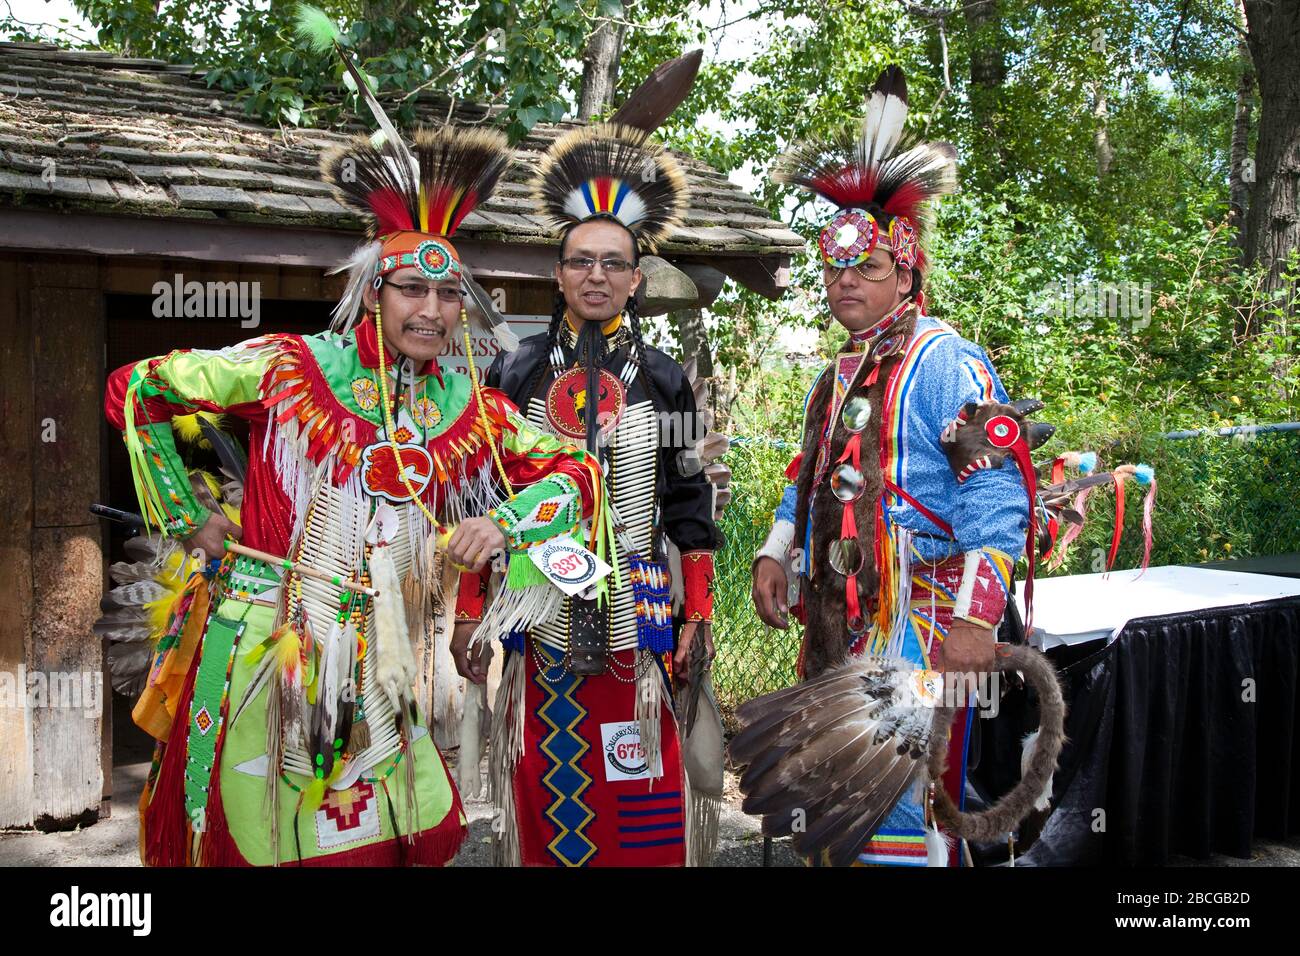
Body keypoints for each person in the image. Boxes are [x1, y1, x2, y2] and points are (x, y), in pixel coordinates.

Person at [103, 12, 603, 866]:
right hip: (274, 651)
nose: (433, 313)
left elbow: (576, 471)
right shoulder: (291, 367)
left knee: (389, 841)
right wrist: (192, 516)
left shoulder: (468, 401)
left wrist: (507, 525)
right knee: (262, 839)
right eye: (412, 290)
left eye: (449, 299)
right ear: (376, 291)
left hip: (392, 663)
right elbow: (140, 386)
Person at [748, 66, 1035, 866]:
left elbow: (999, 497)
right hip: (837, 611)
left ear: (906, 272)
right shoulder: (834, 371)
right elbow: (807, 475)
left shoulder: (948, 362)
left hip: (923, 614)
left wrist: (977, 622)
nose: (846, 282)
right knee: (842, 796)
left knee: (905, 799)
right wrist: (776, 552)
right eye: (835, 269)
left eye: (867, 268)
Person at [450, 65, 723, 866]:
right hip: (536, 613)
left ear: (636, 278)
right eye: (580, 261)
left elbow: (689, 508)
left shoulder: (666, 379)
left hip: (637, 620)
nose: (596, 275)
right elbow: (480, 494)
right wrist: (471, 608)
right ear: (558, 273)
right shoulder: (516, 372)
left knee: (638, 792)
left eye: (612, 263)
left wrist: (697, 619)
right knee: (545, 783)